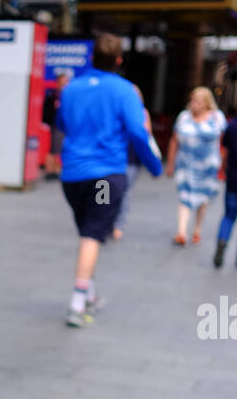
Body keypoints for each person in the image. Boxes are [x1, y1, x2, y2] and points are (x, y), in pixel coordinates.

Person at [56, 32, 162, 327]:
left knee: (89, 230)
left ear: (92, 57)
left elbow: (62, 123)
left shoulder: (72, 89)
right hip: (105, 176)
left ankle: (89, 293)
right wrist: (154, 165)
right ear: (118, 60)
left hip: (72, 175)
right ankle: (77, 302)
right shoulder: (124, 90)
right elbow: (138, 131)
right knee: (92, 234)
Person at [167, 87, 227, 247]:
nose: (194, 104)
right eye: (193, 100)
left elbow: (224, 142)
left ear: (206, 103)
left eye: (198, 101)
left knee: (203, 198)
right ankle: (181, 232)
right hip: (186, 164)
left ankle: (197, 229)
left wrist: (223, 164)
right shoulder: (184, 117)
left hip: (208, 167)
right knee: (185, 196)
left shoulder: (216, 117)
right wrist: (170, 163)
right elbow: (174, 139)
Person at [111, 84, 152, 241]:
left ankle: (117, 224)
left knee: (124, 192)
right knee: (105, 189)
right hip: (111, 159)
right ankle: (103, 218)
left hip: (130, 159)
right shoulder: (114, 111)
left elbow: (145, 135)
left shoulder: (142, 113)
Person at [214, 108, 237, 267]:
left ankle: (222, 241)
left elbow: (226, 151)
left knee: (228, 216)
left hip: (233, 179)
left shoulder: (233, 125)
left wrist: (222, 169)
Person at [42, 70, 70, 179]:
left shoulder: (68, 96)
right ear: (58, 82)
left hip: (65, 126)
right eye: (63, 81)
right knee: (53, 148)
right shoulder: (53, 95)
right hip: (55, 125)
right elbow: (47, 110)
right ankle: (50, 171)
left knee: (61, 148)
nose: (65, 83)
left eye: (66, 81)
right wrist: (46, 122)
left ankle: (57, 170)